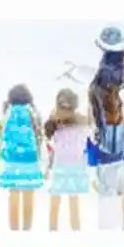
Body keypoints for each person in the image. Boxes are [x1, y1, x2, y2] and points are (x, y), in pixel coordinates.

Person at [88, 26, 124, 229]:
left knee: (106, 202)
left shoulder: (96, 84)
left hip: (104, 150)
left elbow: (94, 119)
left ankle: (107, 238)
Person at [0, 84, 45, 231]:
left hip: (11, 159)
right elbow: (39, 134)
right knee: (29, 193)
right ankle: (27, 229)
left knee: (13, 193)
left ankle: (14, 230)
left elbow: (1, 134)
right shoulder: (32, 111)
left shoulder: (8, 111)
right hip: (29, 158)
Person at [44, 88, 92, 231]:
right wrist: (48, 167)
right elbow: (50, 146)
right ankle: (53, 232)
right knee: (55, 202)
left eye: (67, 106)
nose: (64, 110)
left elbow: (90, 127)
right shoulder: (54, 124)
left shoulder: (80, 122)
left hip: (74, 167)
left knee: (73, 203)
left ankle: (75, 233)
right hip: (61, 166)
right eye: (61, 106)